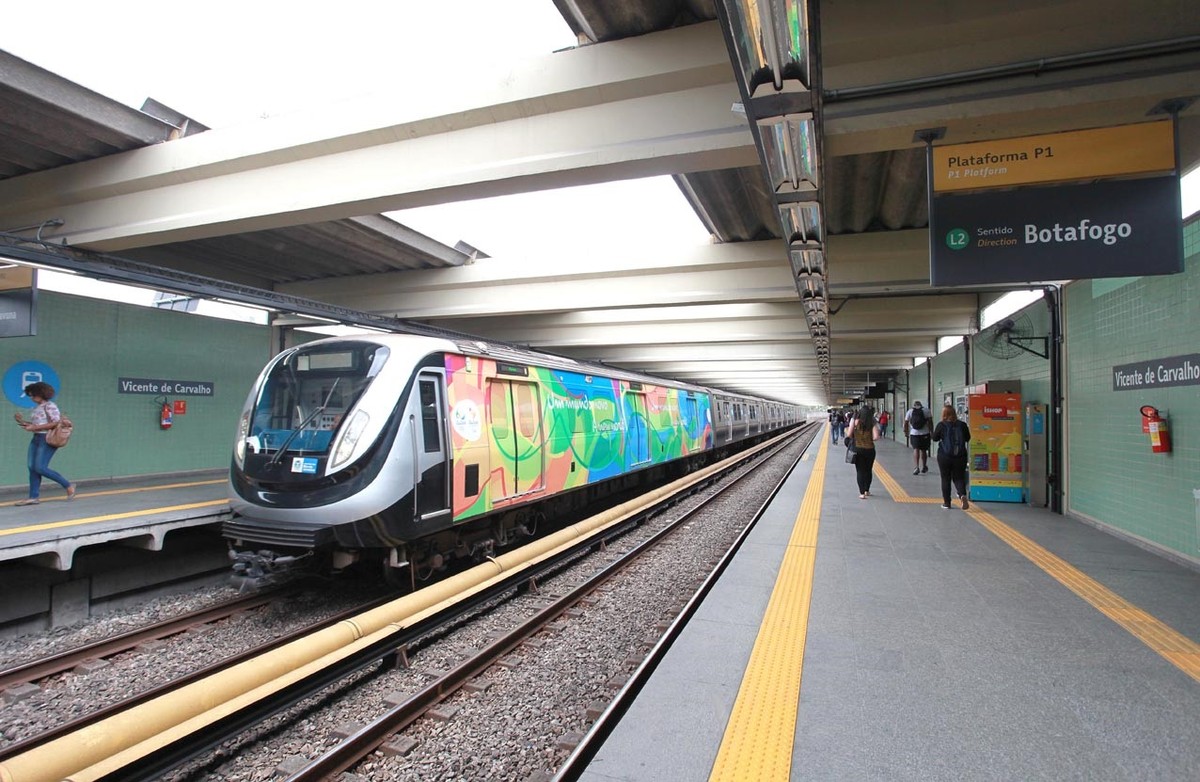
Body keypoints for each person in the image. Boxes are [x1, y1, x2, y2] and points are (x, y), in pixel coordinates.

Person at [13, 381, 75, 505]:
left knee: (40, 467)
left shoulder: (50, 406)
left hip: (47, 439)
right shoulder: (36, 408)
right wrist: (22, 421)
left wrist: (34, 428)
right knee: (32, 468)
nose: (31, 397)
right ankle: (33, 497)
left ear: (41, 394)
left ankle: (67, 485)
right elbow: (37, 425)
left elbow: (56, 423)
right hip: (36, 438)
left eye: (33, 395)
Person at [931, 405, 972, 509]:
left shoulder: (941, 425)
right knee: (959, 477)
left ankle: (947, 503)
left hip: (944, 456)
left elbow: (935, 438)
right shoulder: (962, 425)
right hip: (960, 456)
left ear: (944, 414)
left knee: (945, 478)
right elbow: (968, 438)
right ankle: (962, 495)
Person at [849, 405, 882, 499]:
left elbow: (849, 434)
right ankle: (867, 490)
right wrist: (869, 440)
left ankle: (862, 493)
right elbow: (876, 437)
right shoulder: (872, 421)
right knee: (868, 470)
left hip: (858, 449)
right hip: (870, 450)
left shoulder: (855, 420)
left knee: (860, 471)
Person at [903, 401, 931, 475]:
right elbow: (930, 422)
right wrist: (932, 431)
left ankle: (916, 467)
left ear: (914, 405)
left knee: (916, 449)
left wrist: (906, 432)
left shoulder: (910, 411)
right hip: (925, 433)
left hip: (914, 433)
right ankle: (924, 466)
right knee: (924, 450)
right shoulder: (926, 410)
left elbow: (906, 423)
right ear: (921, 405)